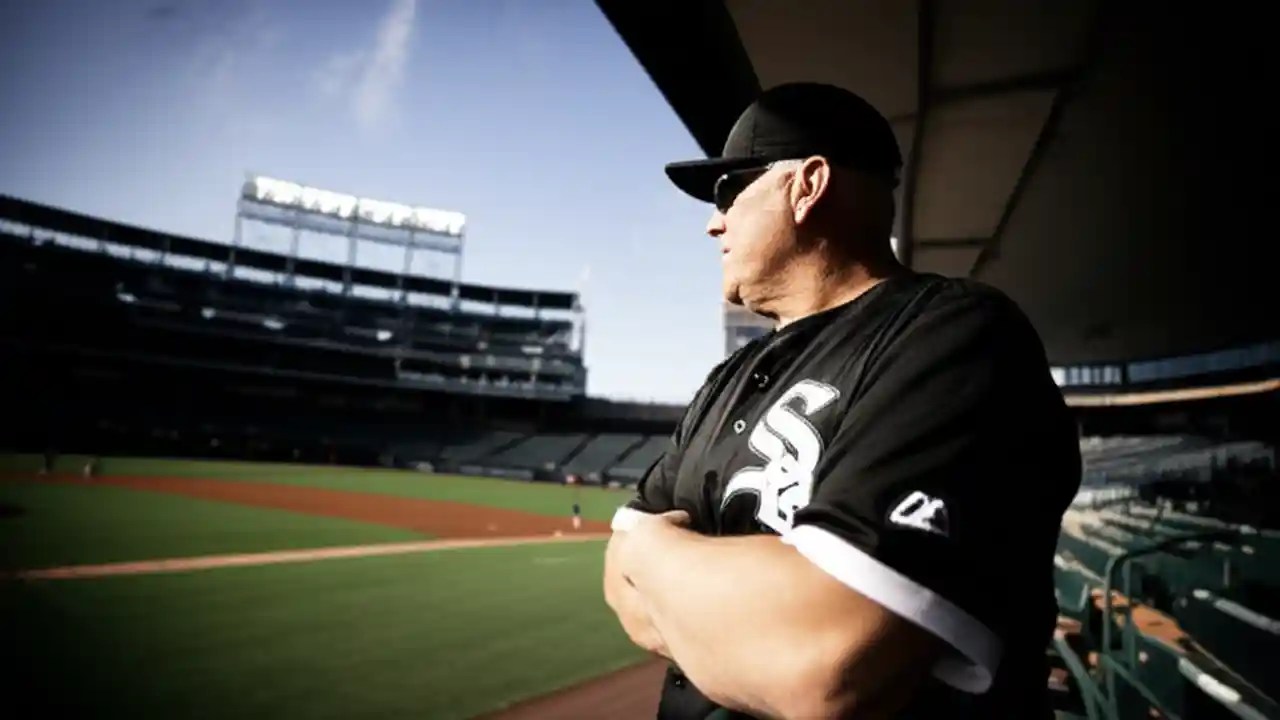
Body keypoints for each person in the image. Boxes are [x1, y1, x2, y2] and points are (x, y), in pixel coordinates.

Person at [602, 82, 1081, 719]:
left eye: (728, 191)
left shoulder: (957, 336)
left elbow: (825, 668)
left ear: (806, 185)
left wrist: (652, 552)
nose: (714, 222)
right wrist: (749, 620)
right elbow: (618, 588)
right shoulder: (726, 379)